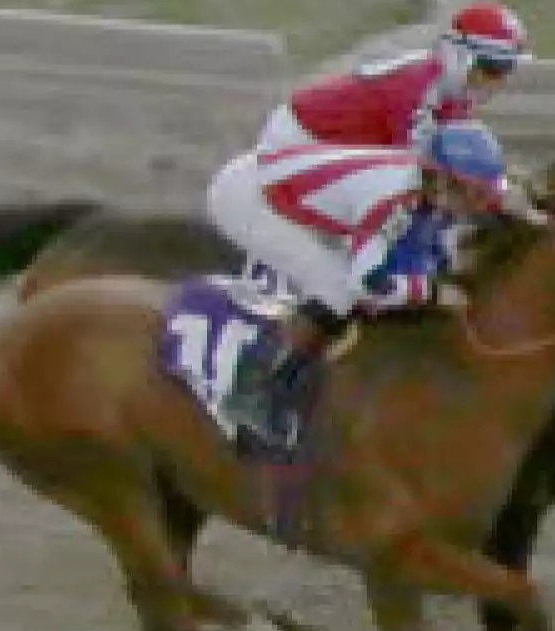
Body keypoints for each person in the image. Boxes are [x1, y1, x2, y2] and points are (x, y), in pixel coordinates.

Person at [202, 121, 517, 454]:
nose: (478, 205)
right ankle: (251, 391)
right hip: (247, 199)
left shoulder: (428, 186)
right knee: (336, 288)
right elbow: (367, 284)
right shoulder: (393, 198)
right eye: (472, 193)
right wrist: (431, 292)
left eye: (482, 193)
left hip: (279, 182)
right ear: (440, 179)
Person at [251, 1, 531, 160]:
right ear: (459, 56)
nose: (497, 82)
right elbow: (415, 162)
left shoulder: (451, 93)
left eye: (506, 71)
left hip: (337, 146)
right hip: (301, 138)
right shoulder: (416, 87)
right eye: (493, 68)